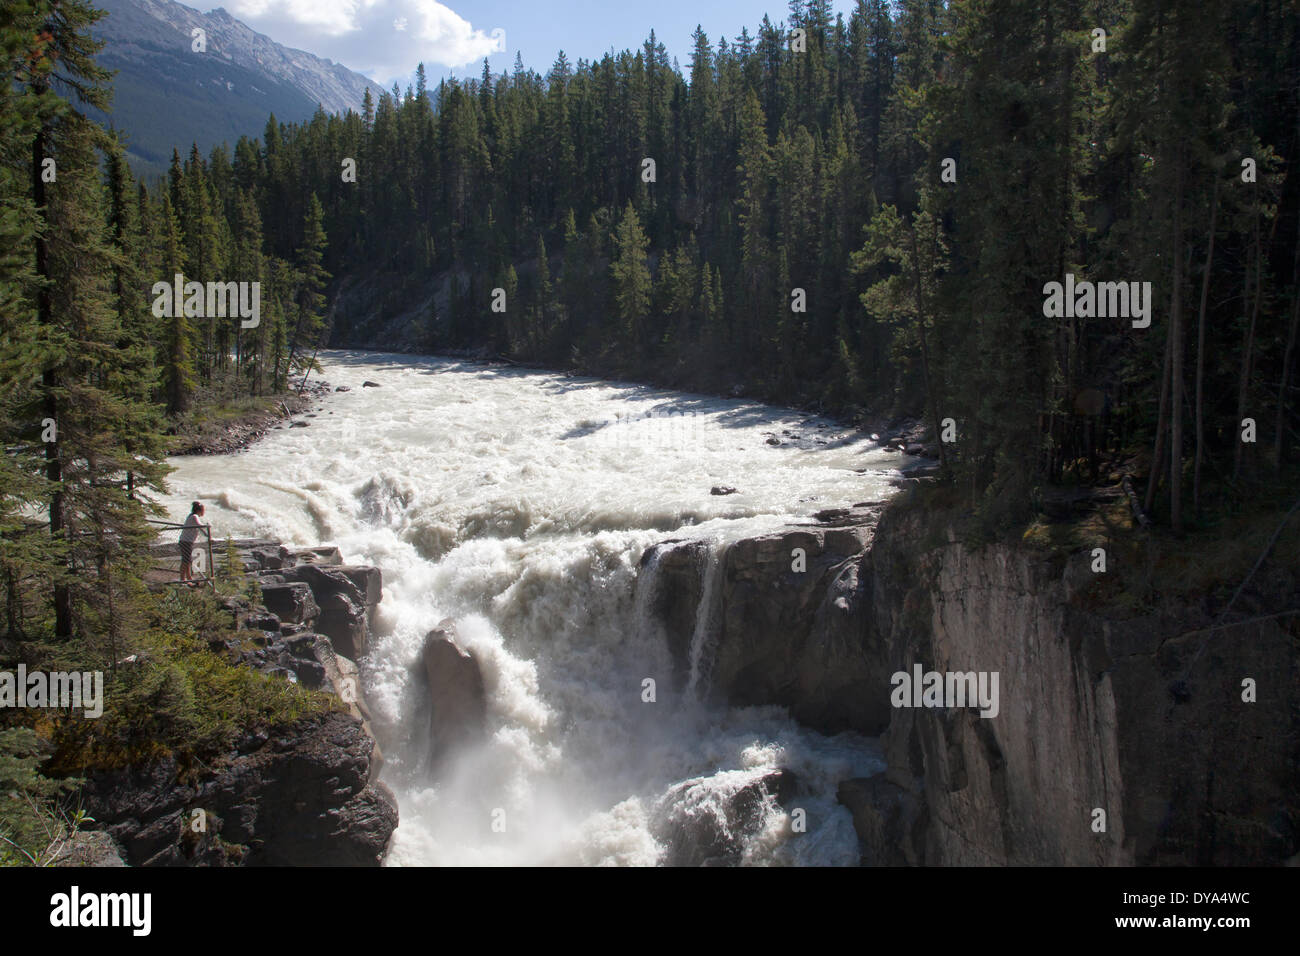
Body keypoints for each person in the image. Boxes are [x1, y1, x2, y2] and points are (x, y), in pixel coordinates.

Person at [179, 501, 206, 582]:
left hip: (185, 541)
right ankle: (182, 579)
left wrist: (206, 534)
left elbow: (199, 528)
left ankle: (188, 577)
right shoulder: (195, 516)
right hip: (186, 542)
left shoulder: (191, 516)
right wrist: (207, 527)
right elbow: (199, 525)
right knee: (185, 561)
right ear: (199, 510)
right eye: (203, 510)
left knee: (188, 561)